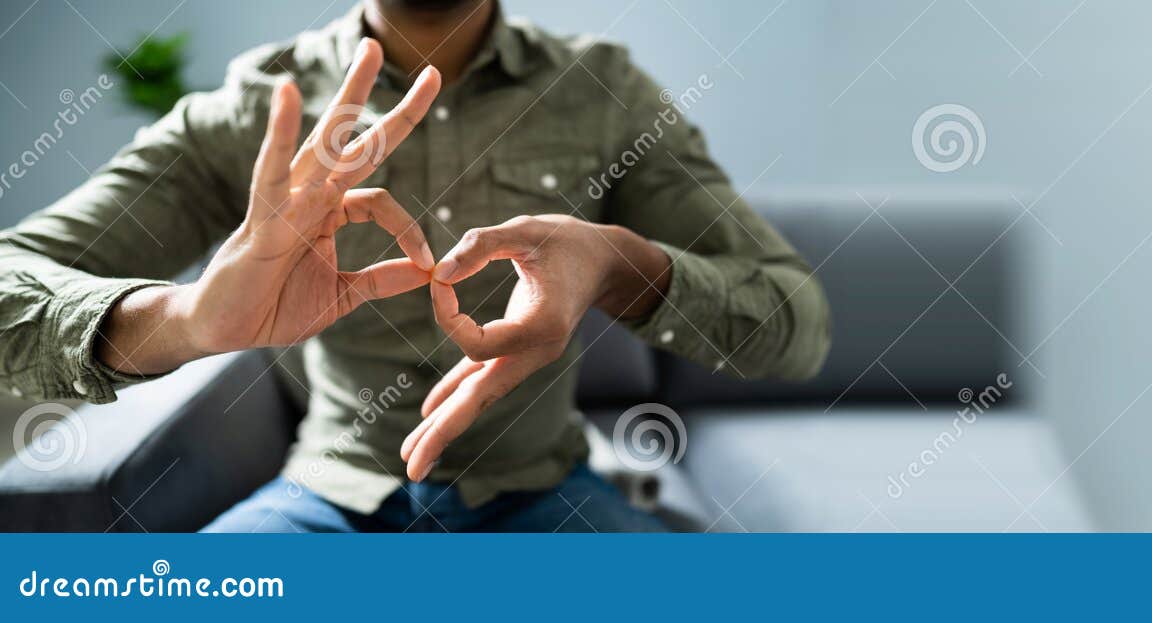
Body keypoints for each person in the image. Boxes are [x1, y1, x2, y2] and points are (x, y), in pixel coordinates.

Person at [0, 0, 830, 532]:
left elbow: (796, 327)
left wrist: (618, 263)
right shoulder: (259, 106)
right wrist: (181, 322)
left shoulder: (601, 90)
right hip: (325, 496)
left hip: (551, 495)